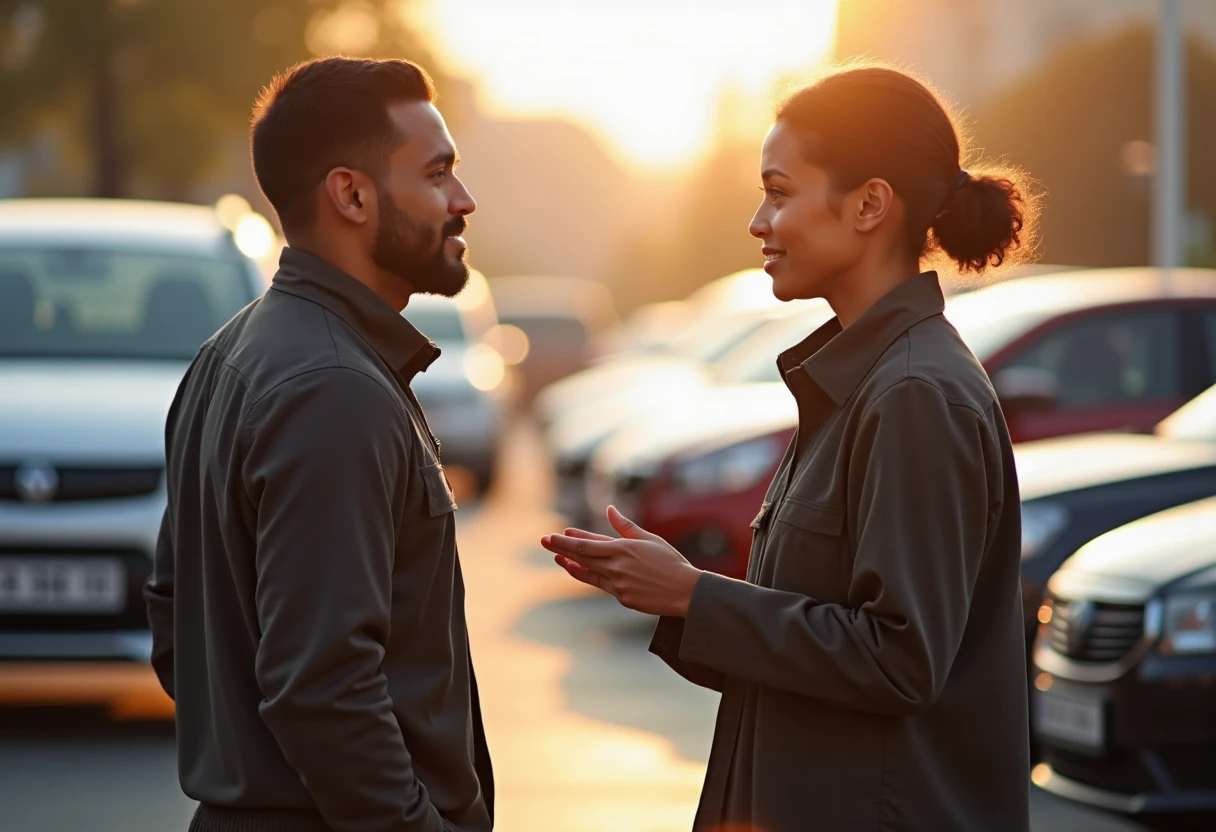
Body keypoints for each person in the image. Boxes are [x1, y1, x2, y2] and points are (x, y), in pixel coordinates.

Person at [542, 64, 1035, 831]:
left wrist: (693, 596)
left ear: (869, 203)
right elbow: (820, 643)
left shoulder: (912, 395)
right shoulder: (865, 377)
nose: (758, 220)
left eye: (779, 190)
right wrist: (680, 593)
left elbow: (898, 660)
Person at [144, 57, 493, 832]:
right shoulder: (335, 389)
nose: (463, 202)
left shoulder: (230, 356)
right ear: (352, 194)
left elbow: (175, 623)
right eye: (438, 174)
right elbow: (325, 689)